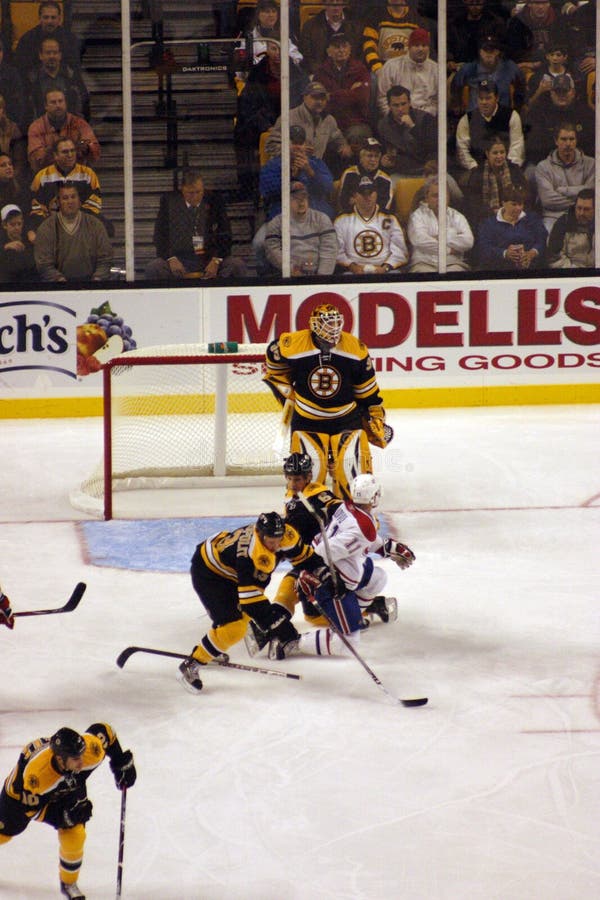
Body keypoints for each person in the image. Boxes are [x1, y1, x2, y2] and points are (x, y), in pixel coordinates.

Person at [270, 474, 415, 659]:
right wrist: (309, 573)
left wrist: (390, 548)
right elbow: (325, 550)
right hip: (335, 584)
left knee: (378, 578)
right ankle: (290, 643)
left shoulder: (346, 506)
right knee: (348, 643)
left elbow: (358, 539)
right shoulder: (363, 528)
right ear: (373, 497)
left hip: (349, 569)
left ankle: (351, 615)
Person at [177, 511, 321, 692]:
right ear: (260, 535)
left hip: (226, 566)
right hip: (209, 573)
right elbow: (252, 603)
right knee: (234, 627)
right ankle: (191, 665)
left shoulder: (281, 536)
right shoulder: (251, 555)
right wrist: (280, 626)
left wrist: (321, 570)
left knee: (238, 617)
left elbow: (303, 555)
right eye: (271, 541)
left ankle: (213, 645)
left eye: (278, 539)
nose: (276, 546)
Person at [263, 302, 390, 500]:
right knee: (308, 479)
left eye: (335, 323)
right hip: (307, 420)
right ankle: (303, 521)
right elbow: (274, 365)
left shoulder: (355, 349)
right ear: (314, 325)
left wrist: (375, 417)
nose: (332, 330)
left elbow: (368, 391)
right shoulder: (293, 344)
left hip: (346, 419)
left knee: (352, 476)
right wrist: (287, 393)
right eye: (327, 324)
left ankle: (356, 520)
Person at [0, 725, 135, 900]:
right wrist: (64, 816)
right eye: (75, 758)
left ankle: (69, 883)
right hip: (18, 800)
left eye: (81, 755)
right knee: (4, 834)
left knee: (76, 835)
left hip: (66, 784)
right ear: (60, 759)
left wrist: (120, 761)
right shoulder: (37, 779)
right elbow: (33, 811)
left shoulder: (87, 751)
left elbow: (105, 731)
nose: (82, 762)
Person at [145, 168, 247, 280]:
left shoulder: (214, 201)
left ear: (203, 189)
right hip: (180, 258)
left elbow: (225, 234)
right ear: (182, 190)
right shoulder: (169, 202)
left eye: (198, 192)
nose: (195, 196)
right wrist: (171, 258)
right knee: (154, 267)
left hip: (208, 258)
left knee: (236, 265)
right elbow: (160, 235)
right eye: (190, 193)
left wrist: (216, 260)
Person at [265, 81, 353, 174]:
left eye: (322, 98)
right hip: (287, 170)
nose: (319, 101)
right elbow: (270, 146)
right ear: (304, 97)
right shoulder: (288, 117)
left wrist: (344, 148)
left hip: (313, 171)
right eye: (315, 97)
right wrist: (293, 150)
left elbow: (339, 141)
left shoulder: (329, 120)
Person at [34, 181, 113, 281]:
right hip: (57, 287)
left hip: (91, 284)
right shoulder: (46, 228)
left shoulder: (95, 225)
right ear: (58, 203)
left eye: (73, 197)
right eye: (65, 198)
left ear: (79, 200)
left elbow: (106, 258)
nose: (70, 201)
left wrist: (97, 279)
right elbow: (43, 264)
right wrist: (59, 280)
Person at [259, 124, 335, 220]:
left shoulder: (315, 163)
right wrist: (291, 177)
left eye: (301, 143)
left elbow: (329, 187)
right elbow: (267, 190)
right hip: (284, 217)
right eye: (294, 143)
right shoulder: (274, 164)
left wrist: (310, 172)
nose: (298, 147)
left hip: (315, 216)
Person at [335, 176, 408, 274]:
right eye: (363, 193)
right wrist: (352, 266)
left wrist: (386, 267)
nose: (367, 197)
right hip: (352, 271)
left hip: (385, 270)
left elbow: (400, 250)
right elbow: (337, 251)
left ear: (376, 194)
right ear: (354, 196)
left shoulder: (389, 218)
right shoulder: (342, 220)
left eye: (370, 193)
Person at [263, 181, 338, 276]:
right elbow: (273, 251)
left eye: (304, 198)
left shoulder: (321, 219)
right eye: (296, 198)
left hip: (319, 276)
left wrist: (322, 277)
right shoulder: (276, 223)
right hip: (289, 276)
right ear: (286, 200)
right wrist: (291, 269)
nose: (301, 202)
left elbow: (329, 249)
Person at [455, 78, 524, 175]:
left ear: (497, 98)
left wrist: (507, 170)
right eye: (481, 98)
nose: (484, 102)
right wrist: (475, 168)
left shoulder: (511, 116)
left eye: (488, 98)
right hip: (476, 170)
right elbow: (462, 150)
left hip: (507, 169)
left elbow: (517, 147)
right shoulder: (467, 119)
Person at [534, 122, 595, 231]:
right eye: (563, 139)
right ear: (556, 141)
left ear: (576, 141)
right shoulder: (543, 167)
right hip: (554, 216)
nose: (568, 143)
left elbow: (592, 191)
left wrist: (564, 190)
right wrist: (580, 201)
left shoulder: (591, 164)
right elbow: (548, 200)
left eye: (572, 139)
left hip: (584, 215)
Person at [522, 75, 595, 166]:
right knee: (531, 173)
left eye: (565, 91)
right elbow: (532, 146)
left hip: (580, 163)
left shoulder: (586, 113)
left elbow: (592, 144)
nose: (561, 95)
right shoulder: (537, 112)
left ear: (573, 92)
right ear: (551, 93)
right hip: (545, 164)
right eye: (557, 91)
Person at [30, 137, 103, 225]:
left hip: (82, 225)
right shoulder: (42, 176)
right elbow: (36, 206)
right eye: (65, 152)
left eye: (72, 151)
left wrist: (74, 220)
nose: (70, 155)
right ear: (55, 155)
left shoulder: (88, 174)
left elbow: (95, 203)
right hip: (51, 226)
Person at [407, 176, 474, 272]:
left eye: (443, 195)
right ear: (427, 197)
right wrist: (449, 250)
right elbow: (420, 240)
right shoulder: (417, 216)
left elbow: (468, 241)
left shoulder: (457, 216)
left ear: (449, 197)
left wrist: (442, 237)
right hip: (424, 263)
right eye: (435, 195)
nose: (440, 199)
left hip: (452, 263)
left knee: (456, 274)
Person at [475, 184, 547, 270]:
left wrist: (532, 253)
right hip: (499, 267)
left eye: (520, 204)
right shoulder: (489, 223)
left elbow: (542, 239)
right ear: (503, 203)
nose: (518, 208)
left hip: (532, 266)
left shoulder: (532, 218)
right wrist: (504, 253)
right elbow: (484, 247)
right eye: (514, 204)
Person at [313, 32, 371, 139]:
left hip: (356, 122)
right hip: (329, 121)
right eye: (336, 47)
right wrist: (350, 92)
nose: (341, 50)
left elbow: (362, 96)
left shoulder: (360, 69)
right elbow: (319, 101)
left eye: (344, 46)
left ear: (350, 49)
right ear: (328, 51)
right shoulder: (320, 72)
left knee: (356, 135)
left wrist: (331, 95)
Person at [27, 89, 100, 173]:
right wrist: (61, 149)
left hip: (78, 175)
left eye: (60, 101)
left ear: (65, 103)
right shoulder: (36, 127)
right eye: (53, 102)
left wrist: (87, 148)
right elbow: (36, 159)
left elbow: (95, 151)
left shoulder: (80, 123)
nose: (58, 105)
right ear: (45, 106)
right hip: (48, 177)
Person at [450, 32, 525, 113]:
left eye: (492, 50)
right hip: (476, 118)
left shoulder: (509, 67)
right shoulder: (470, 68)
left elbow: (521, 87)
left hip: (502, 118)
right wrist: (457, 105)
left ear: (498, 52)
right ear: (480, 52)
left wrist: (517, 109)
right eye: (485, 50)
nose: (488, 54)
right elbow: (455, 85)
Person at [464, 134, 528, 227]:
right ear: (487, 153)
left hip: (514, 215)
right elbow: (473, 203)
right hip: (487, 218)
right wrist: (495, 213)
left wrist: (510, 211)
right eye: (495, 153)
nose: (499, 156)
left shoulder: (514, 169)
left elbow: (525, 195)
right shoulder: (478, 173)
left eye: (502, 152)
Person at [377, 84, 437, 176]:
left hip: (425, 169)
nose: (400, 109)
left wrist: (413, 127)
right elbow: (382, 152)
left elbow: (432, 147)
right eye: (395, 105)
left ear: (409, 103)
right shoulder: (383, 125)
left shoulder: (425, 118)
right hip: (398, 171)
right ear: (389, 106)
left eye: (403, 104)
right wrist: (383, 160)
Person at [377, 27, 438, 117]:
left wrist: (424, 117)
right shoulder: (391, 66)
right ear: (409, 47)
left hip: (425, 118)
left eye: (424, 45)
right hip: (396, 118)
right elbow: (382, 99)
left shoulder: (436, 69)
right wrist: (395, 118)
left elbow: (437, 101)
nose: (420, 49)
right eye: (416, 45)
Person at [25, 36, 90, 122]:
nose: (52, 56)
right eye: (48, 53)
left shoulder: (73, 78)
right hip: (41, 130)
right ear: (40, 55)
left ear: (60, 55)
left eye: (55, 53)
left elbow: (83, 105)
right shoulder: (31, 80)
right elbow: (28, 111)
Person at [13, 1, 82, 81]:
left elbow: (74, 69)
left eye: (53, 17)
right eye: (46, 17)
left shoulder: (70, 40)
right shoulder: (27, 40)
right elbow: (21, 70)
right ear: (39, 18)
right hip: (35, 86)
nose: (49, 21)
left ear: (59, 19)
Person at [362, 1, 432, 74]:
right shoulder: (375, 16)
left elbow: (425, 48)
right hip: (382, 68)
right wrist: (378, 68)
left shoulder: (418, 19)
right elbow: (368, 45)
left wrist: (414, 70)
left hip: (409, 70)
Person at [300, 0, 363, 73]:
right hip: (321, 75)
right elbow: (306, 58)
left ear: (343, 3)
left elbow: (359, 55)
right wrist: (323, 73)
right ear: (324, 3)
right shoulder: (310, 26)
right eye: (331, 0)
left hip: (350, 74)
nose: (335, 4)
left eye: (338, 1)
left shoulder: (356, 25)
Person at [338, 136, 394, 213]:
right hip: (351, 217)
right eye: (369, 156)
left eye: (376, 156)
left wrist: (358, 202)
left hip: (376, 220)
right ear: (361, 157)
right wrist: (370, 204)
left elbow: (384, 207)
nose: (373, 160)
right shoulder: (349, 174)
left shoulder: (385, 179)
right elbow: (343, 202)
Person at [547, 187, 595, 268]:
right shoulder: (563, 223)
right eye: (579, 208)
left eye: (586, 209)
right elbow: (553, 257)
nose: (581, 213)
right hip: (570, 269)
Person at [0, 204, 36, 282]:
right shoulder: (2, 243)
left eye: (19, 224)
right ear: (4, 225)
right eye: (12, 224)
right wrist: (5, 247)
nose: (16, 227)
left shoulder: (29, 241)